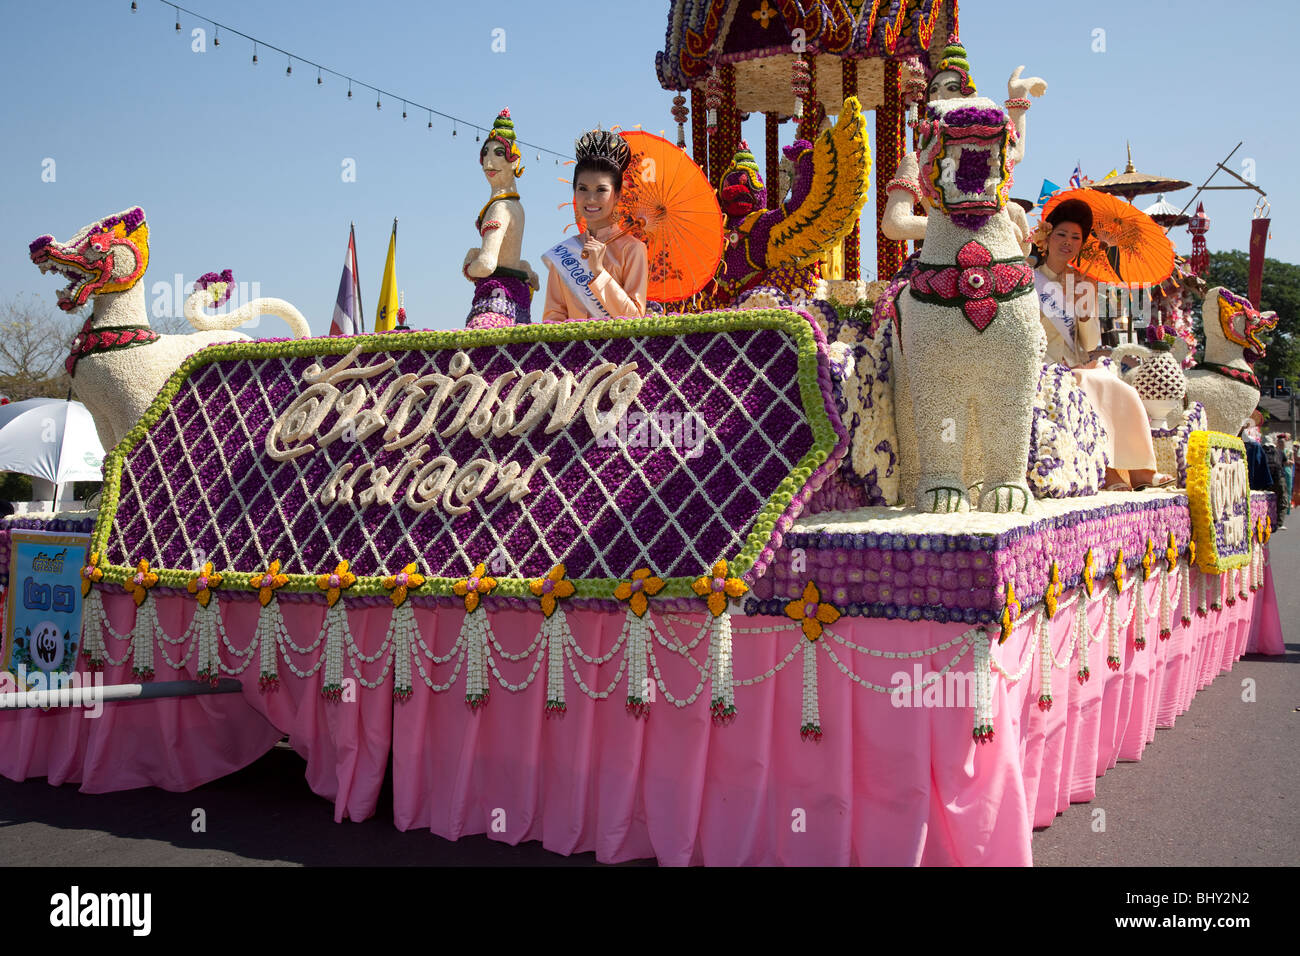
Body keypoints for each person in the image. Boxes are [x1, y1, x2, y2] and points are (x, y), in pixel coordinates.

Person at [1033, 199, 1172, 491]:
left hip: (1077, 363)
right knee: (1093, 386)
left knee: (1122, 388)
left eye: (1075, 238)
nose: (1067, 242)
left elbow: (1091, 342)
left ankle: (1140, 472)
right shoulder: (1027, 277)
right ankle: (1109, 473)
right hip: (1041, 364)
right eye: (1061, 234)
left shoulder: (1081, 283)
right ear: (1047, 237)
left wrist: (1086, 307)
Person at [541, 128, 647, 322]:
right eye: (582, 189)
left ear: (617, 195)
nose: (590, 199)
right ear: (574, 191)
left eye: (601, 190)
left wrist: (599, 272)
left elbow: (635, 319)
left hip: (618, 351)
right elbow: (552, 317)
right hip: (571, 351)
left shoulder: (633, 249)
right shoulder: (565, 252)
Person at [463, 108, 540, 328]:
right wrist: (527, 271)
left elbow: (487, 264)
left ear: (514, 162)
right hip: (517, 303)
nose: (488, 163)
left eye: (498, 154)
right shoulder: (516, 206)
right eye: (485, 154)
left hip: (495, 301)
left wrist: (469, 265)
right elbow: (513, 259)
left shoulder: (499, 208)